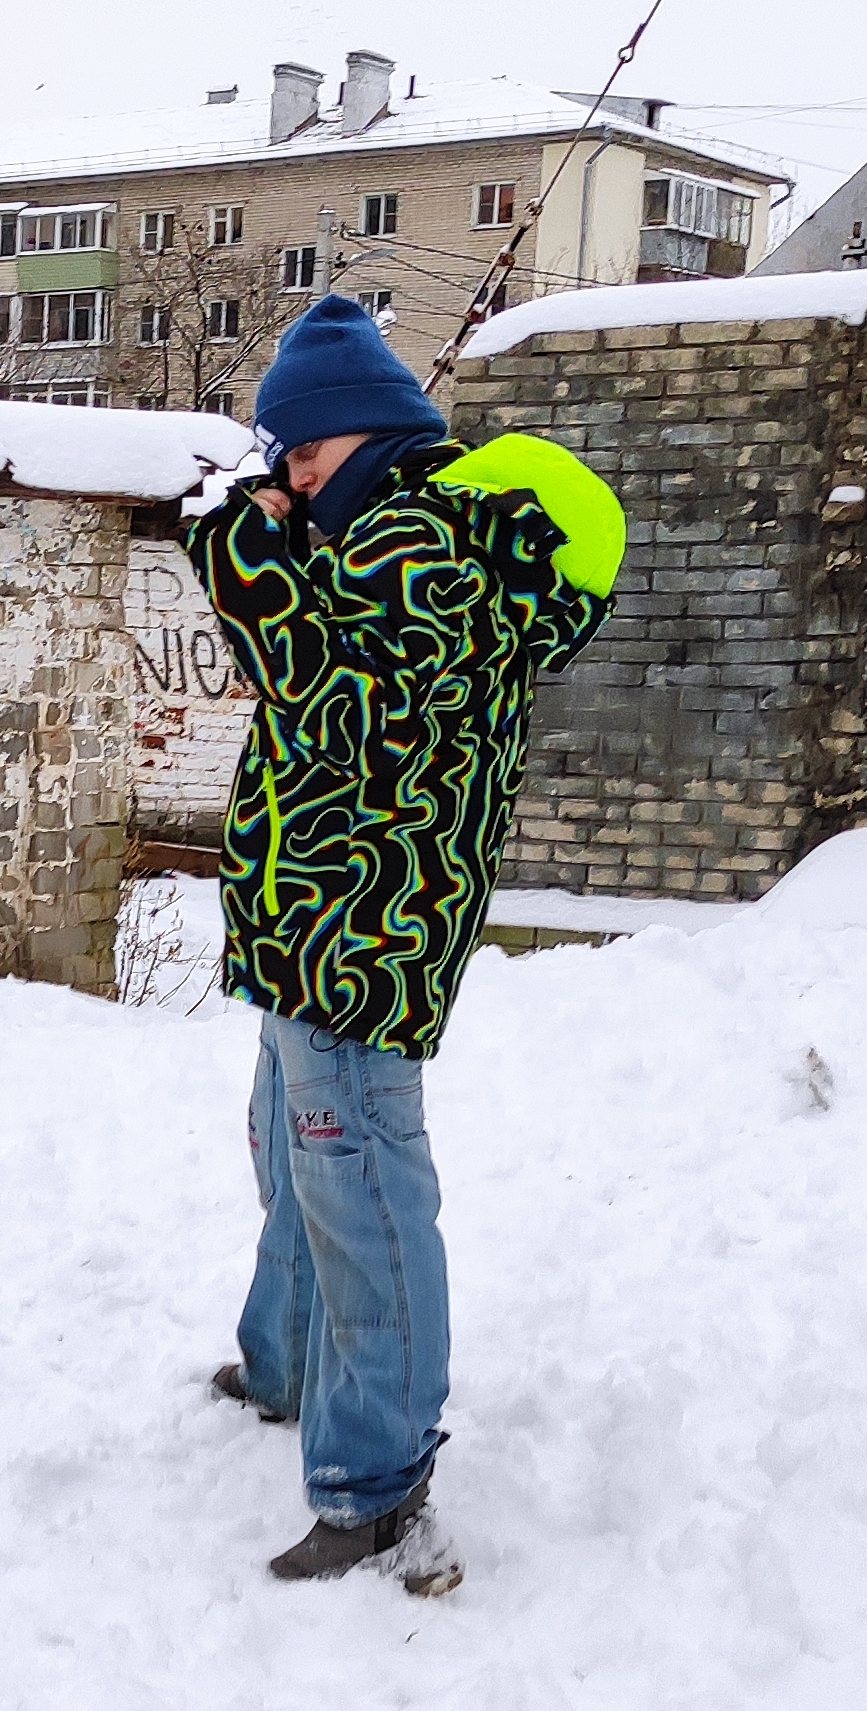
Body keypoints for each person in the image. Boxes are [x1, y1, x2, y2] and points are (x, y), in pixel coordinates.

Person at [181, 292, 615, 1596]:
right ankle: (285, 1363)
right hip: (310, 921)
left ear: (356, 439)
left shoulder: (430, 548)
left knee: (361, 1186)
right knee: (287, 1154)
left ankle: (375, 1481)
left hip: (363, 936)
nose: (287, 492)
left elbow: (310, 665)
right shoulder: (384, 537)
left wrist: (231, 551)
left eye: (297, 464)